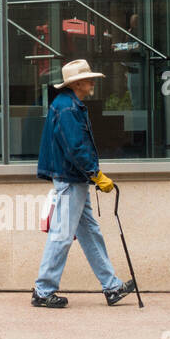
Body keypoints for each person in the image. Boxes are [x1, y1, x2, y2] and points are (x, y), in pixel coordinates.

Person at [32, 59, 136, 308]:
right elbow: (75, 147)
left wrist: (91, 174)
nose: (92, 82)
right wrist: (95, 174)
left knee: (90, 233)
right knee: (62, 235)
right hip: (71, 179)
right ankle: (43, 291)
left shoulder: (68, 105)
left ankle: (111, 287)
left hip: (73, 179)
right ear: (77, 83)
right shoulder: (68, 108)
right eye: (89, 79)